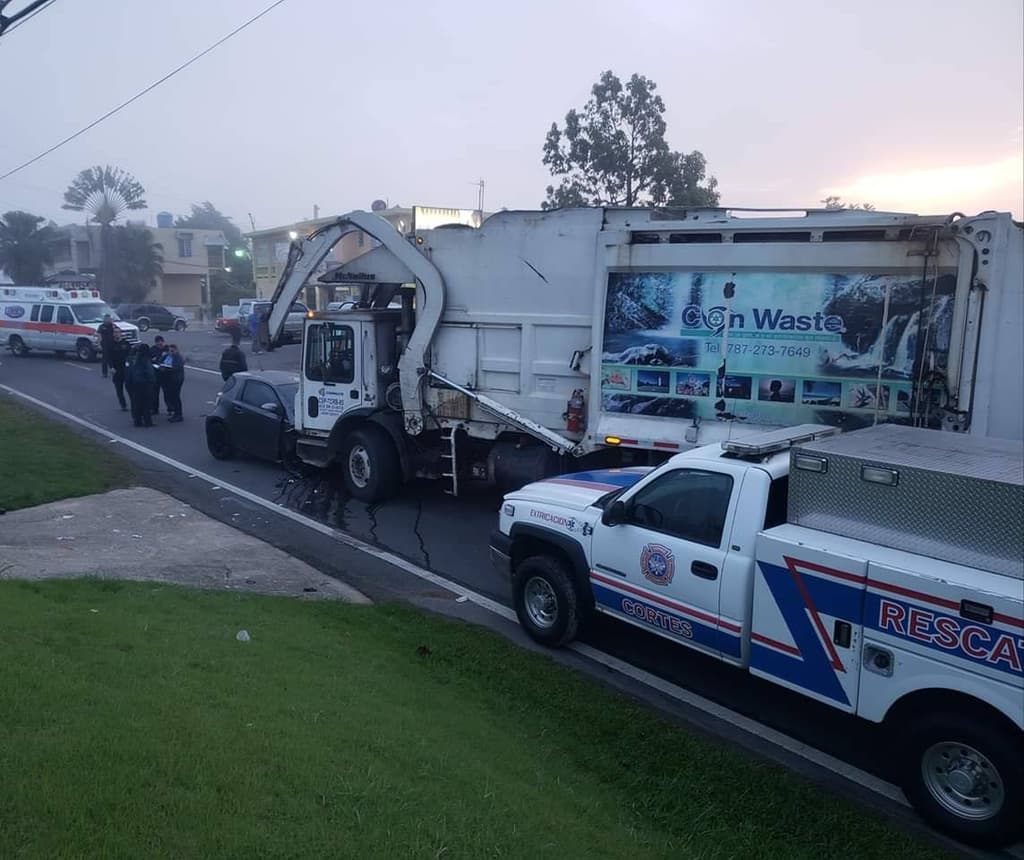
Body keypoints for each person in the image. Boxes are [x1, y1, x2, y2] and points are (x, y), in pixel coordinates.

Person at [126, 344, 156, 427]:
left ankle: (137, 421)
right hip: (145, 384)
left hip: (134, 383)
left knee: (136, 403)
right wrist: (152, 381)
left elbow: (129, 371)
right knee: (147, 403)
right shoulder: (146, 359)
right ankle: (147, 421)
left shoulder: (132, 359)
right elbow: (150, 373)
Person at [158, 344, 186, 423]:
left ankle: (178, 414)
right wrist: (163, 358)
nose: (171, 352)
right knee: (170, 396)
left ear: (176, 350)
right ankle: (174, 412)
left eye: (172, 351)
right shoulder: (167, 356)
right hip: (168, 379)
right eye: (169, 351)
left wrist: (166, 368)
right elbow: (160, 361)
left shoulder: (178, 357)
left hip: (176, 379)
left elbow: (176, 367)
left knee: (175, 397)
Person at [108, 329, 131, 411]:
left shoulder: (125, 343)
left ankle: (134, 403)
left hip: (126, 369)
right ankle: (123, 405)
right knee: (119, 389)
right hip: (116, 369)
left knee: (130, 388)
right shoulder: (110, 344)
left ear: (121, 334)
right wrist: (111, 367)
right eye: (114, 332)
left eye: (118, 332)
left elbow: (130, 354)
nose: (116, 334)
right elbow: (109, 357)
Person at [150, 336, 167, 415]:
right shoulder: (152, 349)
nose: (160, 344)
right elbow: (150, 360)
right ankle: (154, 408)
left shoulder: (167, 349)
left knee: (167, 393)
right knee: (154, 393)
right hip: (156, 374)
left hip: (165, 374)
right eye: (158, 342)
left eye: (161, 342)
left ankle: (170, 408)